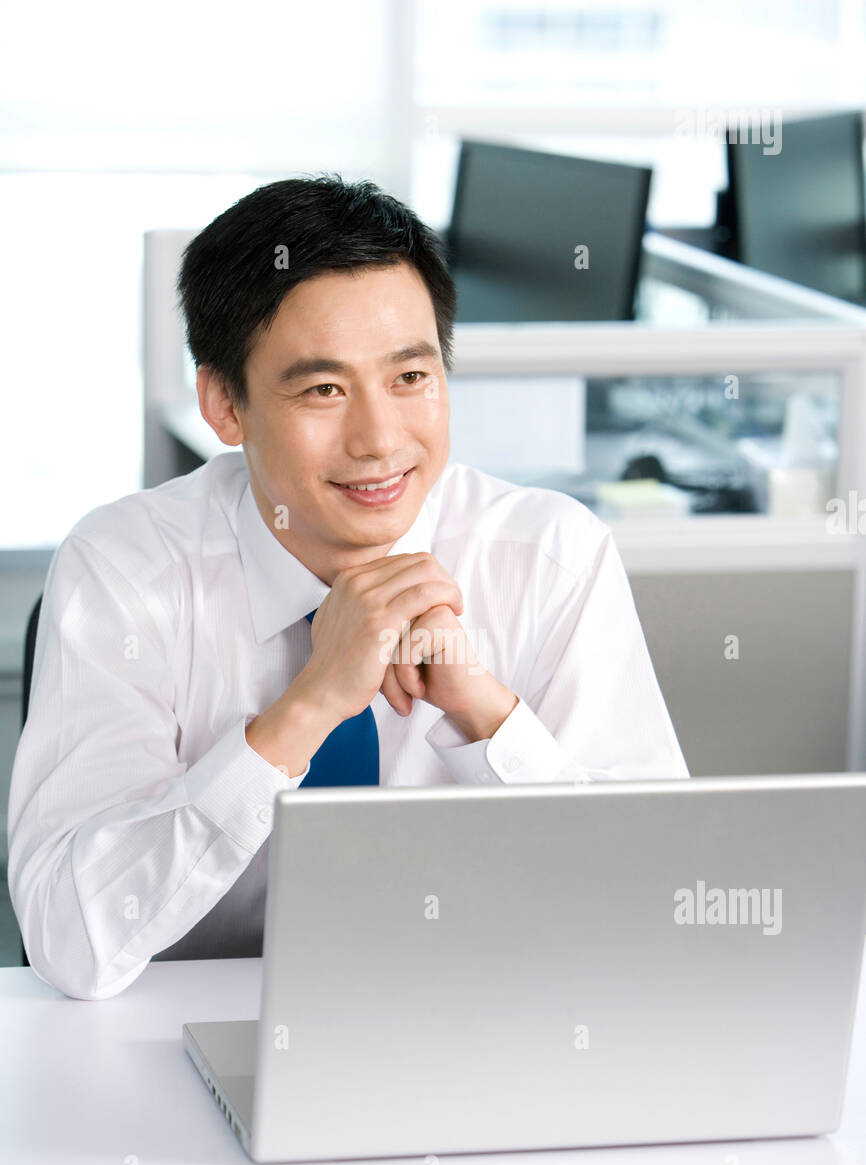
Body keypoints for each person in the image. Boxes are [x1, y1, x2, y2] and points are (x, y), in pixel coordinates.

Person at [7, 175, 688, 1001]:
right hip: (168, 1055)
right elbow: (67, 940)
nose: (380, 440)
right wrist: (306, 710)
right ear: (225, 405)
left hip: (476, 1032)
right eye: (324, 389)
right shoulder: (127, 570)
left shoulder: (548, 555)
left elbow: (657, 906)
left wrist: (490, 718)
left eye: (411, 379)